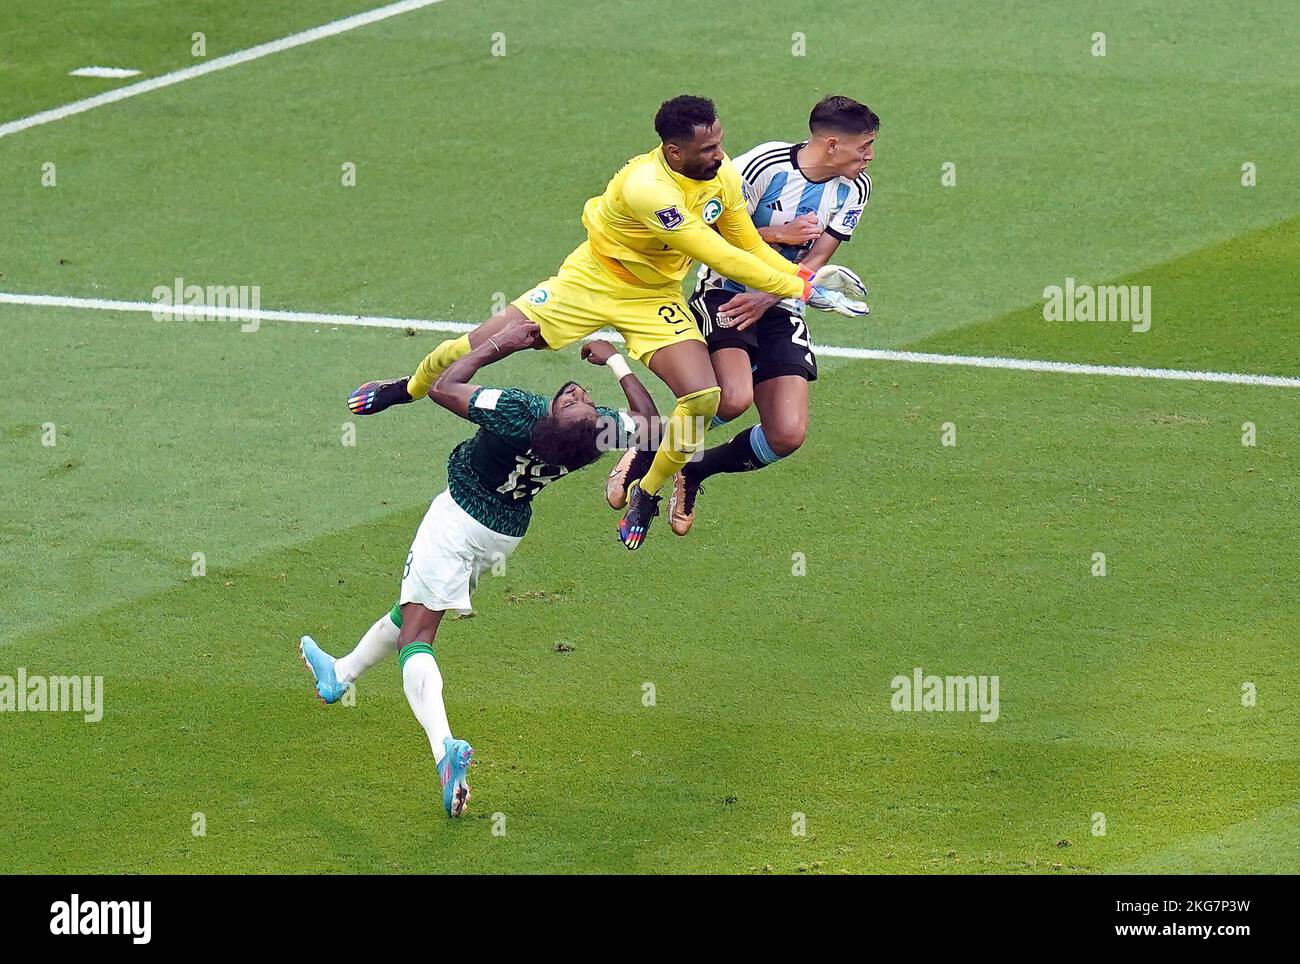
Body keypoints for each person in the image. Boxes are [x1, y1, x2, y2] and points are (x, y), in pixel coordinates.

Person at [346, 94, 866, 550]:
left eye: (719, 143)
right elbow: (712, 251)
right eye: (708, 150)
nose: (720, 155)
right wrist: (801, 286)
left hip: (653, 296)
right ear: (673, 151)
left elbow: (746, 242)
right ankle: (405, 389)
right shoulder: (647, 188)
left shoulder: (722, 174)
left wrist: (796, 277)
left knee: (704, 397)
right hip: (591, 281)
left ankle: (646, 492)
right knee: (472, 346)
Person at [302, 324, 656, 817]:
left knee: (417, 637)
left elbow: (441, 387)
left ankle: (443, 751)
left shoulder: (519, 414)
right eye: (583, 401)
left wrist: (499, 345)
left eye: (577, 403)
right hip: (503, 533)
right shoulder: (592, 438)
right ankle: (340, 674)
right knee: (412, 609)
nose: (578, 393)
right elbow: (652, 424)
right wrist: (616, 361)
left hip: (458, 519)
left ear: (554, 419)